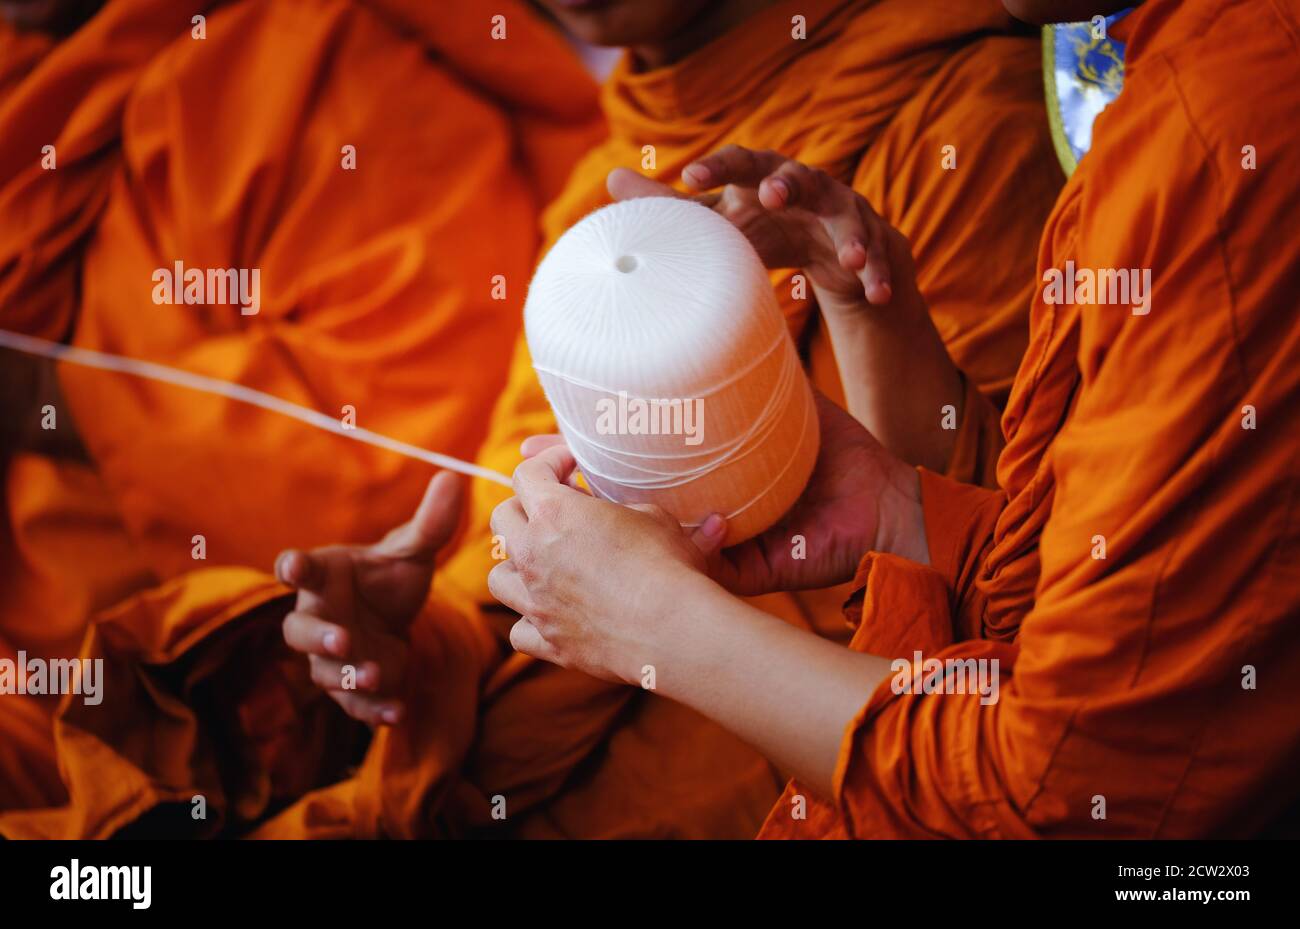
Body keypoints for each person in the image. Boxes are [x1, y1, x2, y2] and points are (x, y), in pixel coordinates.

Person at [480, 0, 1300, 837]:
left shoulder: (1220, 125)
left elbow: (1081, 788)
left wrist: (657, 625)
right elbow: (1079, 586)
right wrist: (911, 515)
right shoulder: (1164, 92)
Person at [0, 0, 601, 834]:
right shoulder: (34, 82)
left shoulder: (323, 70)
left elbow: (394, 466)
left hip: (194, 721)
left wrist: (40, 399)